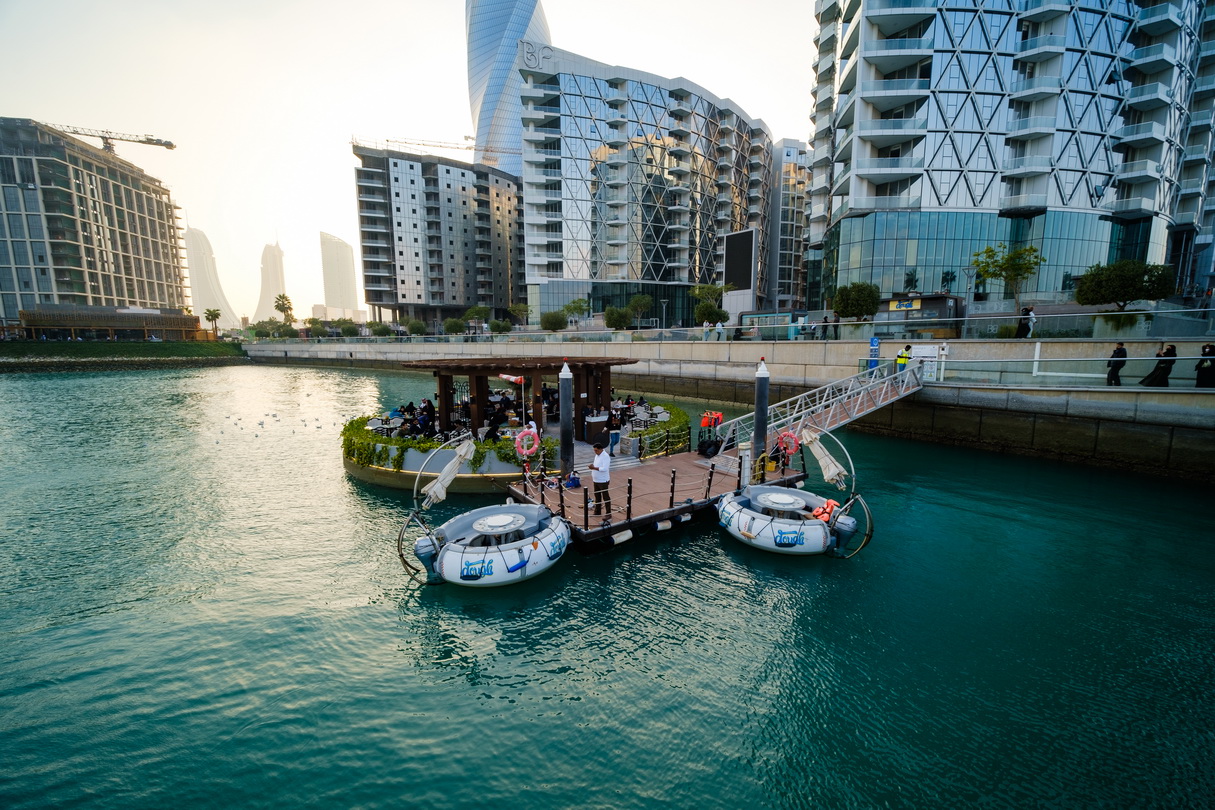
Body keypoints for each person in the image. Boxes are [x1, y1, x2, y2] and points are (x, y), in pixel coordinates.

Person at [589, 442, 611, 516]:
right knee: (597, 496)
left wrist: (593, 468)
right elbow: (596, 465)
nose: (595, 452)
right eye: (594, 450)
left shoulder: (605, 456)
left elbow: (604, 468)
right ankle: (597, 511)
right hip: (596, 479)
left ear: (601, 449)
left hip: (603, 480)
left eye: (596, 450)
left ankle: (608, 513)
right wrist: (592, 466)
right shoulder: (597, 455)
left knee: (605, 497)